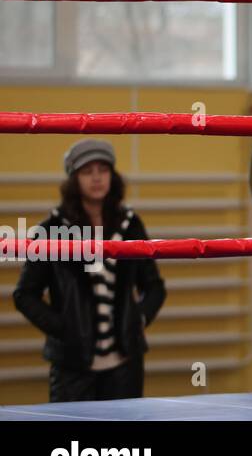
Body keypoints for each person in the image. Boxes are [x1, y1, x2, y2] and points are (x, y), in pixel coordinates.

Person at [13, 139, 166, 402]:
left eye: (103, 170)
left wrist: (138, 319)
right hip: (72, 366)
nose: (97, 178)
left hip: (125, 364)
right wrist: (64, 328)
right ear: (74, 179)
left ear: (112, 176)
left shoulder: (130, 224)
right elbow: (24, 294)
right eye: (87, 171)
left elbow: (154, 286)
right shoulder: (51, 229)